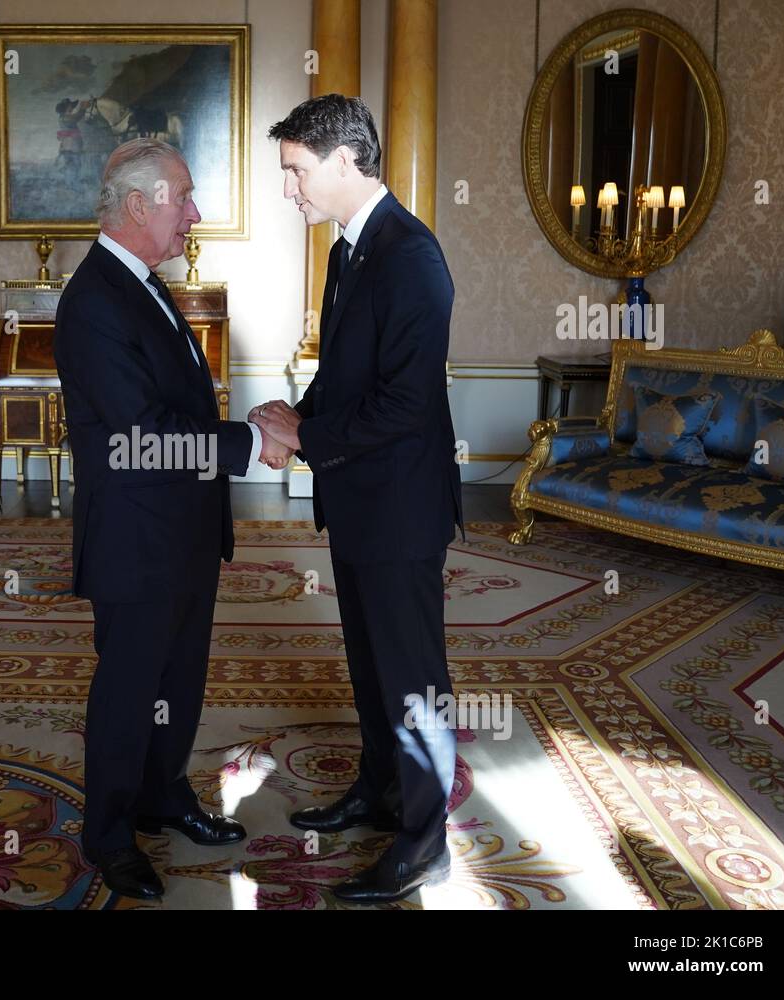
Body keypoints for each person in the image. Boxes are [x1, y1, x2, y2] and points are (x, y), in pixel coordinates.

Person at [53, 137, 292, 899]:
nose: (194, 215)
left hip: (180, 532)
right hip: (136, 539)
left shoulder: (142, 284)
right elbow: (140, 438)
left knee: (179, 679)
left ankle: (163, 795)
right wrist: (252, 443)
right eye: (183, 199)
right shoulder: (94, 300)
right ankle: (111, 835)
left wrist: (242, 431)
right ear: (138, 205)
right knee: (129, 689)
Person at [251, 94, 464, 904]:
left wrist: (307, 436)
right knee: (373, 666)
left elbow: (407, 404)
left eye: (296, 171)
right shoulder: (351, 251)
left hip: (401, 508)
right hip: (360, 498)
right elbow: (348, 377)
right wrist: (301, 414)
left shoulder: (411, 256)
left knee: (413, 679)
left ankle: (424, 843)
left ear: (346, 161)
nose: (288, 189)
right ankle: (380, 793)